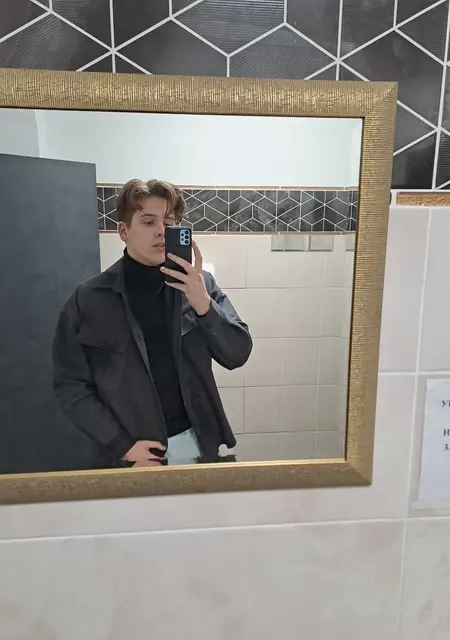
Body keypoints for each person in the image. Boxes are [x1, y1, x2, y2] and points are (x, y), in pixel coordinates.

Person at [52, 179, 252, 469]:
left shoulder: (200, 286)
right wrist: (121, 445)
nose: (161, 231)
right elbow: (71, 384)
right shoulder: (89, 299)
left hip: (196, 444)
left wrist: (203, 304)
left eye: (169, 223)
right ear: (123, 231)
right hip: (128, 453)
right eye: (148, 222)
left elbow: (238, 354)